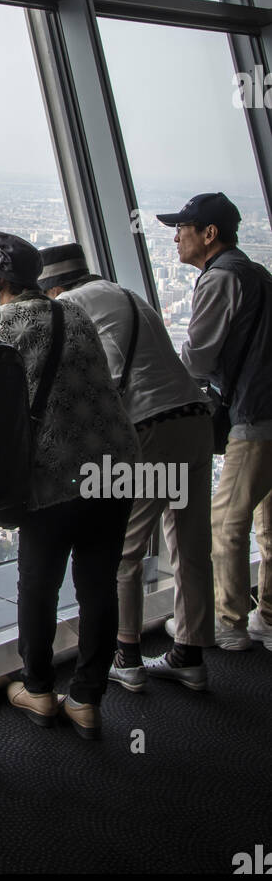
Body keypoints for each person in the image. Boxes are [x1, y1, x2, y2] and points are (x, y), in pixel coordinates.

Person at [0, 232, 140, 739]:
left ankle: (40, 688)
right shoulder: (74, 313)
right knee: (98, 583)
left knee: (40, 583)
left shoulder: (0, 328)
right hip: (114, 463)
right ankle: (88, 698)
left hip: (53, 473)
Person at [38, 243, 215, 692]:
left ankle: (128, 656)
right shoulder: (125, 293)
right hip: (194, 420)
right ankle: (189, 655)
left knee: (125, 551)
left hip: (150, 428)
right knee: (189, 546)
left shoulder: (67, 307)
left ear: (54, 287)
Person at [157, 193, 272, 652]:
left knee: (226, 521)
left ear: (209, 234)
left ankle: (229, 621)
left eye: (183, 229)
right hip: (267, 409)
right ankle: (267, 617)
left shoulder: (221, 278)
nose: (176, 238)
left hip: (255, 415)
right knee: (268, 524)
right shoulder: (257, 273)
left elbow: (199, 357)